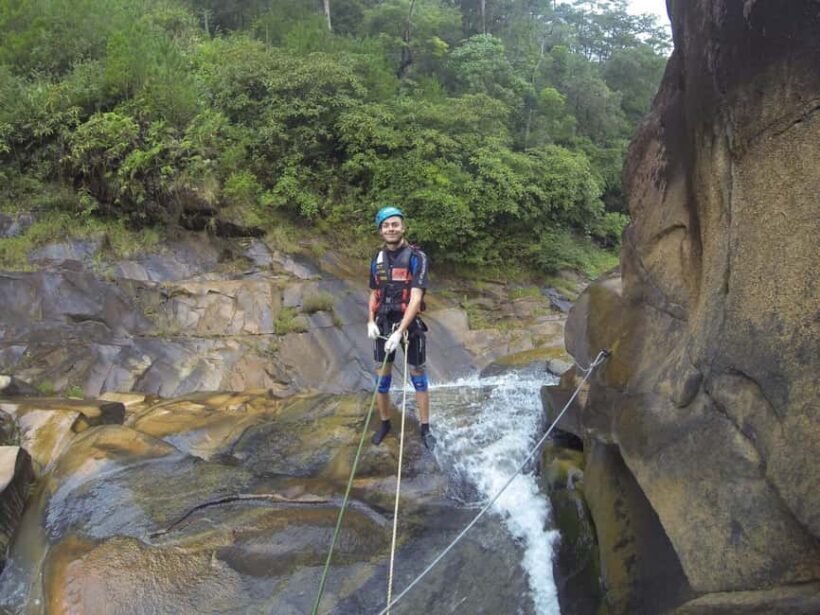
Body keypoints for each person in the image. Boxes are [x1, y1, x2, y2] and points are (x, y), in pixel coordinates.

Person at [367, 206, 433, 449]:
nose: (390, 229)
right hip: (383, 322)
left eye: (395, 224)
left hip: (409, 324)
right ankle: (385, 423)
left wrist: (399, 331)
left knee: (418, 376)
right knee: (381, 379)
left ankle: (425, 427)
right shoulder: (377, 259)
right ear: (381, 230)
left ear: (403, 227)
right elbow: (374, 293)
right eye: (386, 225)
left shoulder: (417, 257)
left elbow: (415, 298)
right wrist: (370, 321)